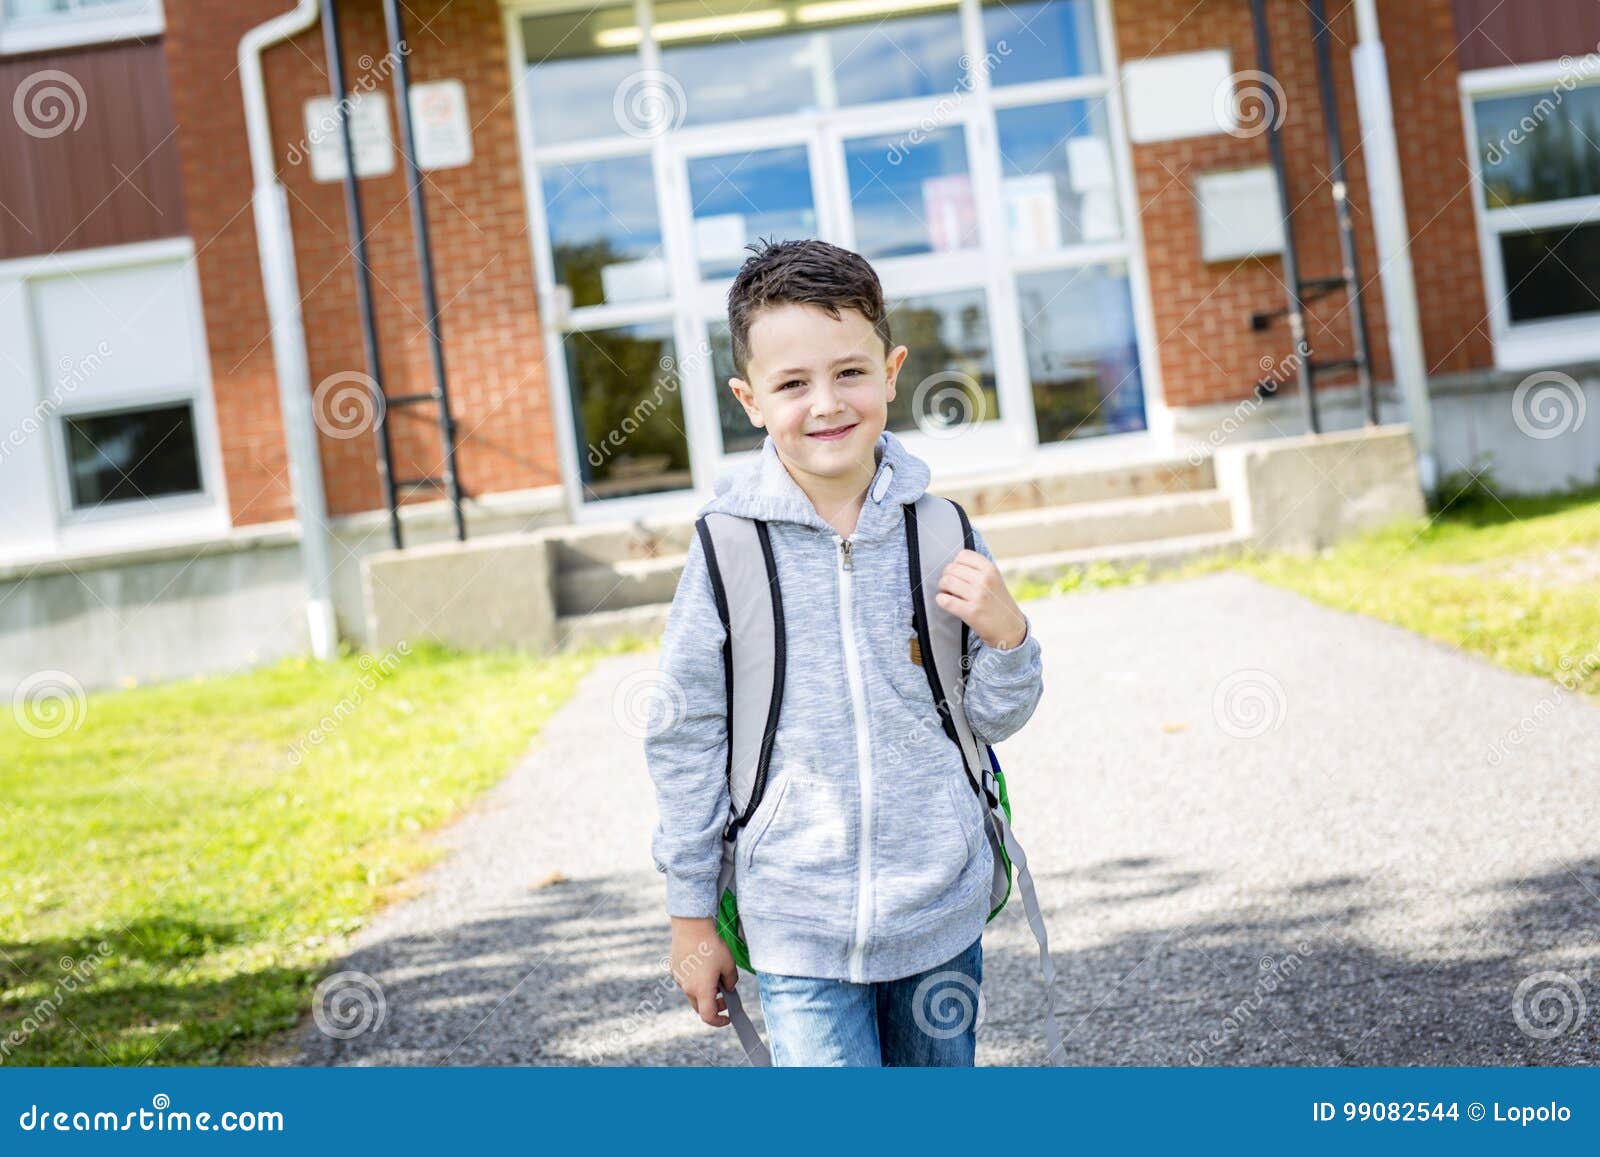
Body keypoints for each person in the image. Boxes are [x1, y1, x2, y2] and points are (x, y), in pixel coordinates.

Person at [644, 237, 1045, 1066]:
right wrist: (691, 912)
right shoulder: (727, 550)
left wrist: (1011, 637)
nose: (826, 402)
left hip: (938, 907)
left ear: (892, 371)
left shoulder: (942, 532)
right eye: (792, 383)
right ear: (749, 398)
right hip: (796, 921)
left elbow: (992, 716)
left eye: (850, 372)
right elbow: (686, 736)